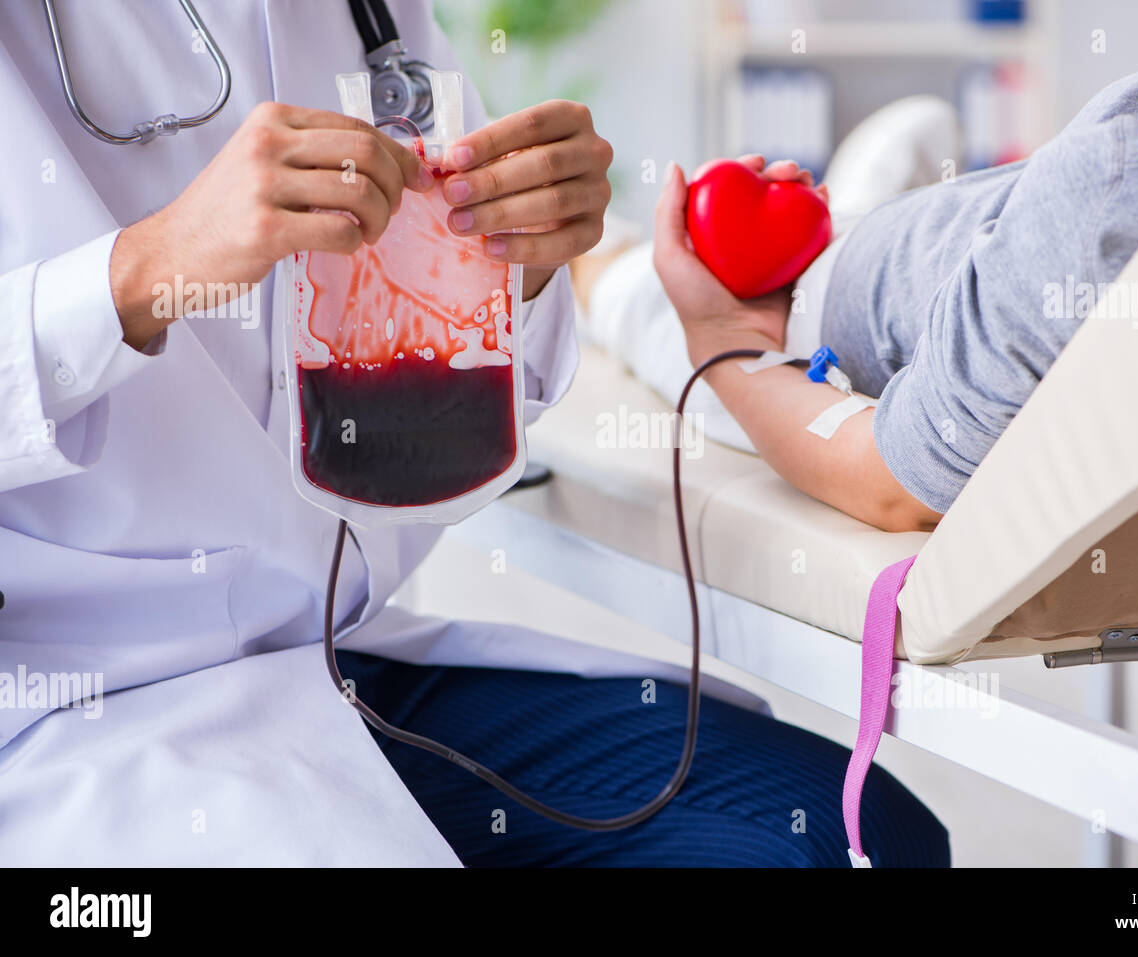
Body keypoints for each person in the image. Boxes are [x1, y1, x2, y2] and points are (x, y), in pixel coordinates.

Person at [0, 0, 948, 868]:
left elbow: (425, 374)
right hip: (78, 717)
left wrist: (523, 261)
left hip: (329, 662)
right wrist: (141, 273)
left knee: (855, 831)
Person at [639, 71, 1138, 533]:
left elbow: (895, 486)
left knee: (637, 302)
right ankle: (861, 209)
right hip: (922, 241)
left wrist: (723, 341)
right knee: (924, 153)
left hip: (790, 326)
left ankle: (603, 264)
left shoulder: (1102, 208)